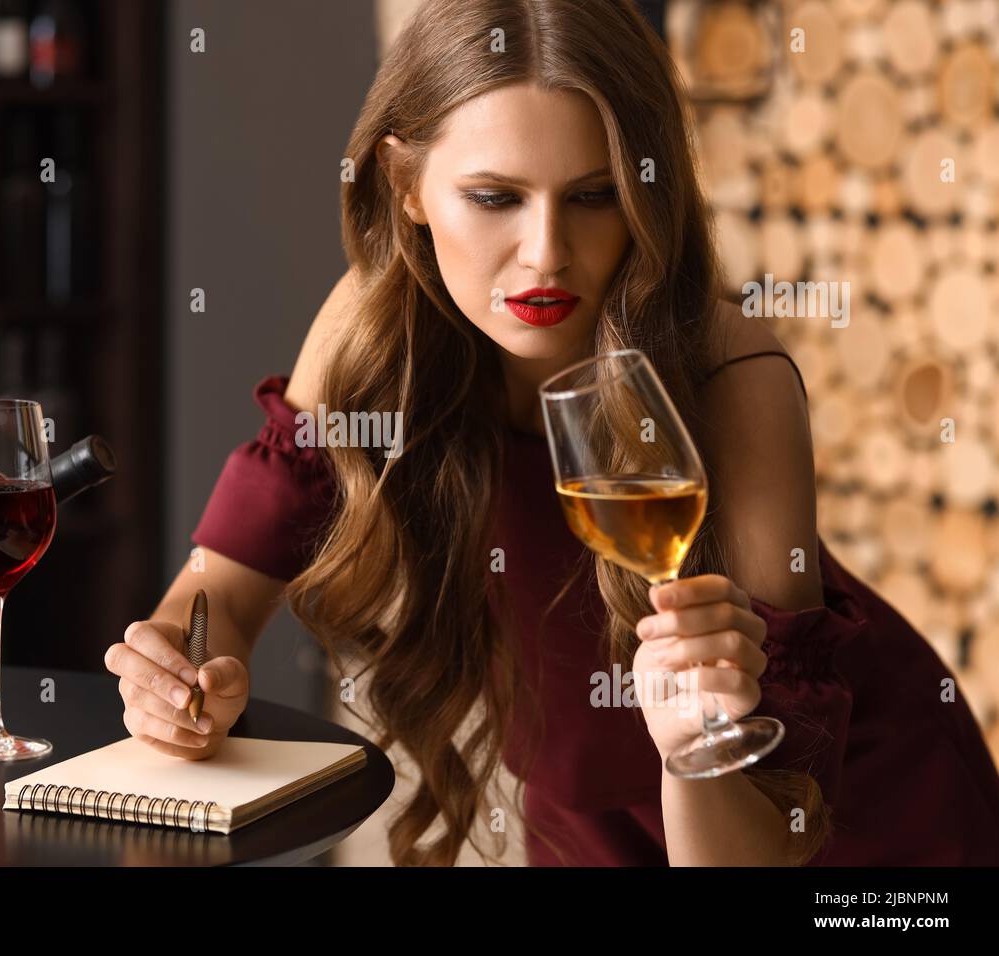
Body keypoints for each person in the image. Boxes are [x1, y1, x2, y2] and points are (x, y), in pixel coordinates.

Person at [104, 0, 999, 866]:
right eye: (494, 197)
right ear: (404, 184)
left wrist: (693, 747)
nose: (546, 253)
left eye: (594, 196)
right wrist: (176, 677)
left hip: (859, 834)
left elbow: (767, 838)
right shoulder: (372, 334)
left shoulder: (733, 380)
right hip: (594, 826)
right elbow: (215, 592)